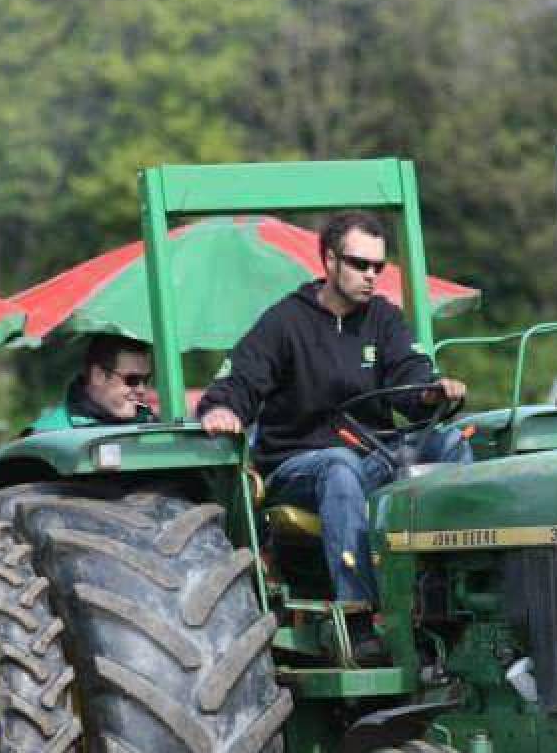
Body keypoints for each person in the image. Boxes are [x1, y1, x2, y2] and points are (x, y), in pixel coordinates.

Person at [197, 210, 468, 608]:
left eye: (378, 266)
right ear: (329, 261)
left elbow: (409, 376)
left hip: (373, 456)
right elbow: (241, 380)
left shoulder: (384, 318)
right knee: (339, 465)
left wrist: (430, 393)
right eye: (360, 265)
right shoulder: (285, 322)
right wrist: (221, 408)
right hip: (300, 467)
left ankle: (452, 591)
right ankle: (358, 615)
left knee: (451, 444)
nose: (372, 275)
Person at [29, 333, 159, 431]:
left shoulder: (156, 428)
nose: (142, 389)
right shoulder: (46, 434)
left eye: (146, 379)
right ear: (98, 376)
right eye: (132, 379)